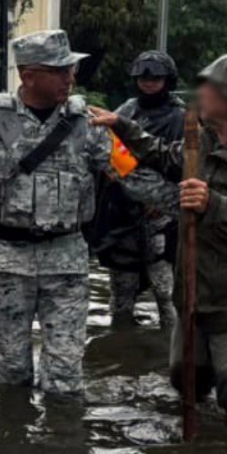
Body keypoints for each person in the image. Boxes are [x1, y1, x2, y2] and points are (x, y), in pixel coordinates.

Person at [88, 54, 227, 427]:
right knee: (187, 386)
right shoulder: (201, 142)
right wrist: (122, 126)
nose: (200, 93)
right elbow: (163, 158)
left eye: (210, 87)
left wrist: (211, 203)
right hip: (195, 290)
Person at [0, 30, 126, 398]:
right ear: (28, 76)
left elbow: (128, 174)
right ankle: (11, 448)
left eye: (70, 69)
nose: (69, 78)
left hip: (67, 263)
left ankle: (60, 451)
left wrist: (184, 192)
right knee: (12, 371)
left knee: (65, 376)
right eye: (59, 71)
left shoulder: (85, 123)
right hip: (8, 264)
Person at [92, 50, 185, 328]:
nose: (148, 83)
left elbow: (184, 164)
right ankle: (121, 349)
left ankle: (171, 354)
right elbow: (107, 151)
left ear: (167, 80)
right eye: (143, 78)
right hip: (124, 213)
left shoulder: (180, 117)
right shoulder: (127, 111)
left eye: (155, 78)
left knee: (166, 291)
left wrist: (165, 199)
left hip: (163, 216)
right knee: (123, 290)